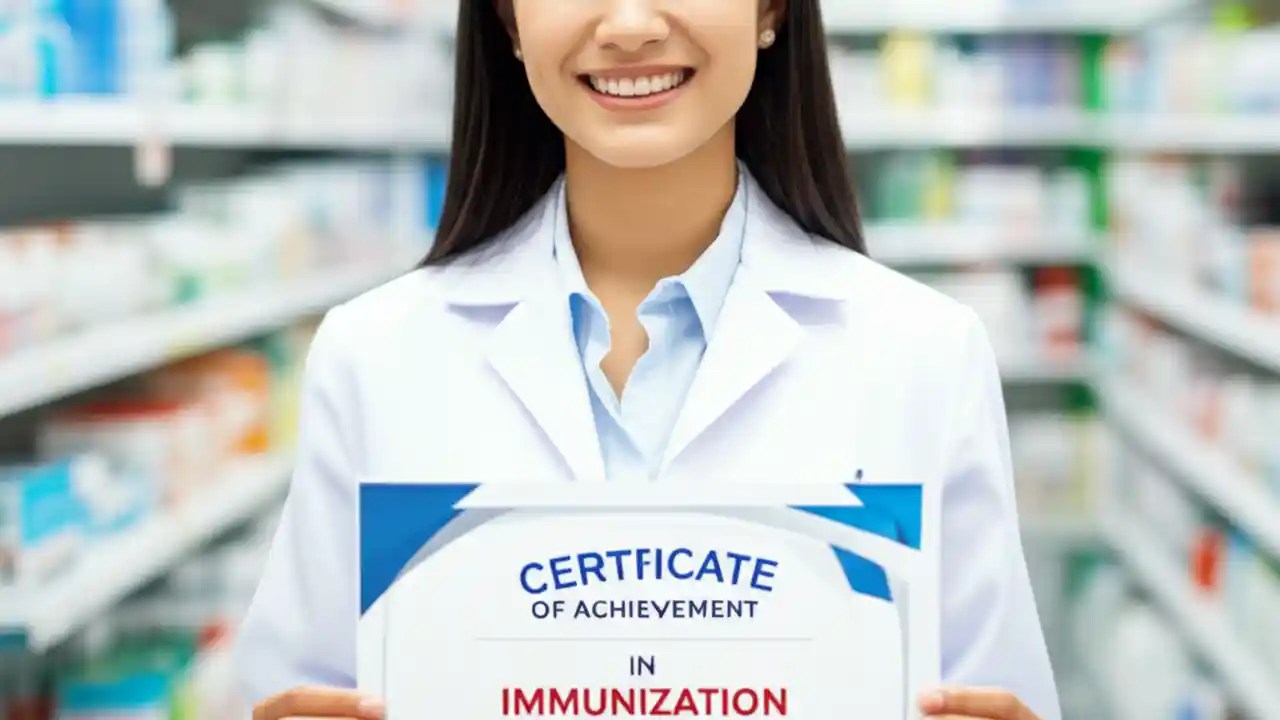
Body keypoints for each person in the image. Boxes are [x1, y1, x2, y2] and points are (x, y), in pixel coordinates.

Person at [238, 1, 1062, 718]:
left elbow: (992, 687)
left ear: (771, 9)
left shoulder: (924, 354)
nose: (630, 24)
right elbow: (290, 688)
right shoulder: (377, 357)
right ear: (508, 20)